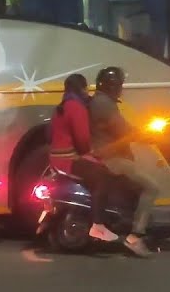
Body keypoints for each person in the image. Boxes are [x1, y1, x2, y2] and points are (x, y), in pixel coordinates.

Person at [89, 66, 161, 257]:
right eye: (120, 85)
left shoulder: (100, 100)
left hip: (108, 156)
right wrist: (148, 135)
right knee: (152, 187)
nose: (122, 88)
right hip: (112, 159)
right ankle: (135, 237)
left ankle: (128, 222)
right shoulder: (104, 104)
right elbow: (123, 130)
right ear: (113, 86)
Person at [48, 73, 123, 244]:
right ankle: (98, 225)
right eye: (85, 88)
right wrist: (91, 153)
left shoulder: (61, 106)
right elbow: (83, 139)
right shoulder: (76, 107)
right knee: (103, 176)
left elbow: (49, 135)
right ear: (82, 88)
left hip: (56, 159)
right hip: (69, 161)